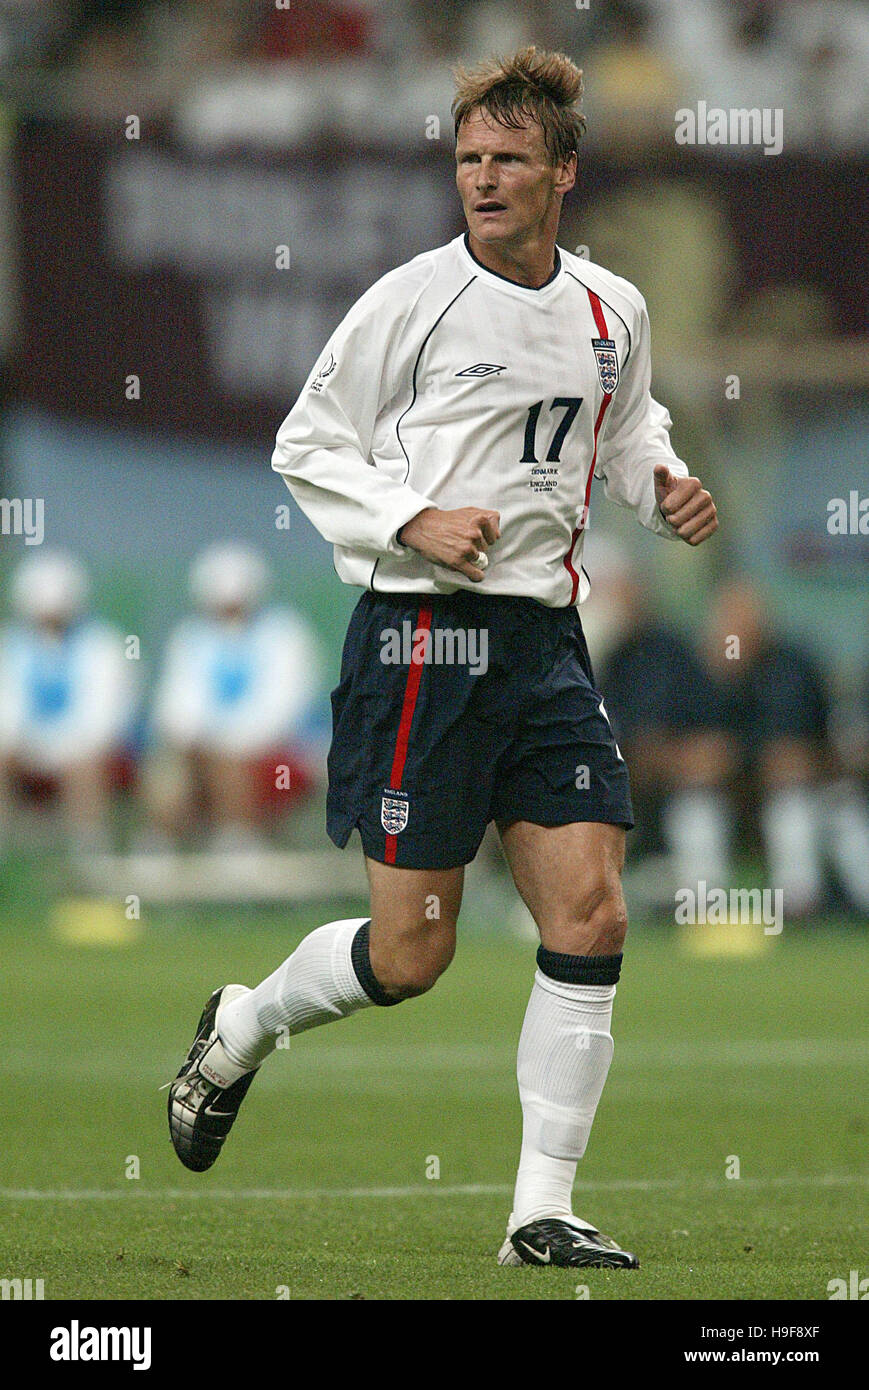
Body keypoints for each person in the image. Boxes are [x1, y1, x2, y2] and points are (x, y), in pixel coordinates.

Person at [167, 46, 718, 1269]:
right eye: (467, 157)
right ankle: (243, 1026)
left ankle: (538, 1210)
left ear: (561, 172)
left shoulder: (609, 307)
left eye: (508, 158)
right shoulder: (409, 300)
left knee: (591, 908)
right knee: (412, 951)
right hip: (420, 635)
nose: (481, 177)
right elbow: (306, 444)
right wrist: (411, 519)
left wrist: (663, 482)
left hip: (544, 641)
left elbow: (624, 431)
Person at [146, 541, 321, 851]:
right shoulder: (190, 638)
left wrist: (227, 742)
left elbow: (285, 712)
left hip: (277, 753)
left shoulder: (284, 634)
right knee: (167, 768)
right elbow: (175, 708)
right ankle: (163, 841)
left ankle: (238, 839)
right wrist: (196, 740)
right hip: (206, 753)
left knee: (229, 763)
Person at [0, 550, 138, 858]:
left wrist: (65, 748)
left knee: (85, 762)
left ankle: (88, 850)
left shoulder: (102, 644)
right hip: (24, 748)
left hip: (82, 750)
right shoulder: (8, 646)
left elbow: (108, 716)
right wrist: (23, 746)